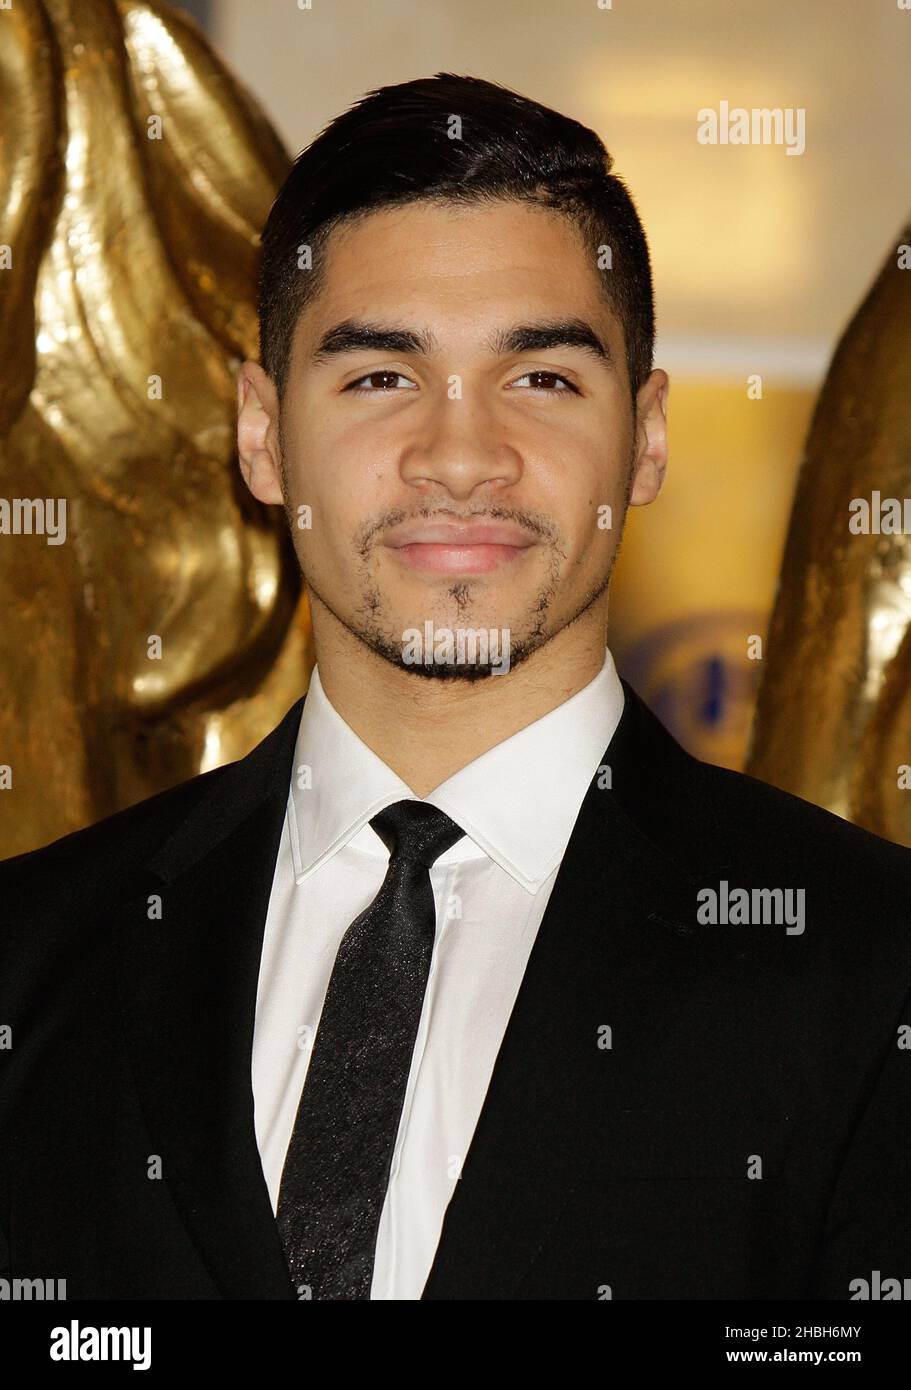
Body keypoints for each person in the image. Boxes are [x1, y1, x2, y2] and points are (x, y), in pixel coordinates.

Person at [2, 72, 910, 1302]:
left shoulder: (868, 964)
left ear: (645, 436)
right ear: (262, 434)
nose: (460, 457)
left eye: (539, 377)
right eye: (380, 377)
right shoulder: (34, 957)